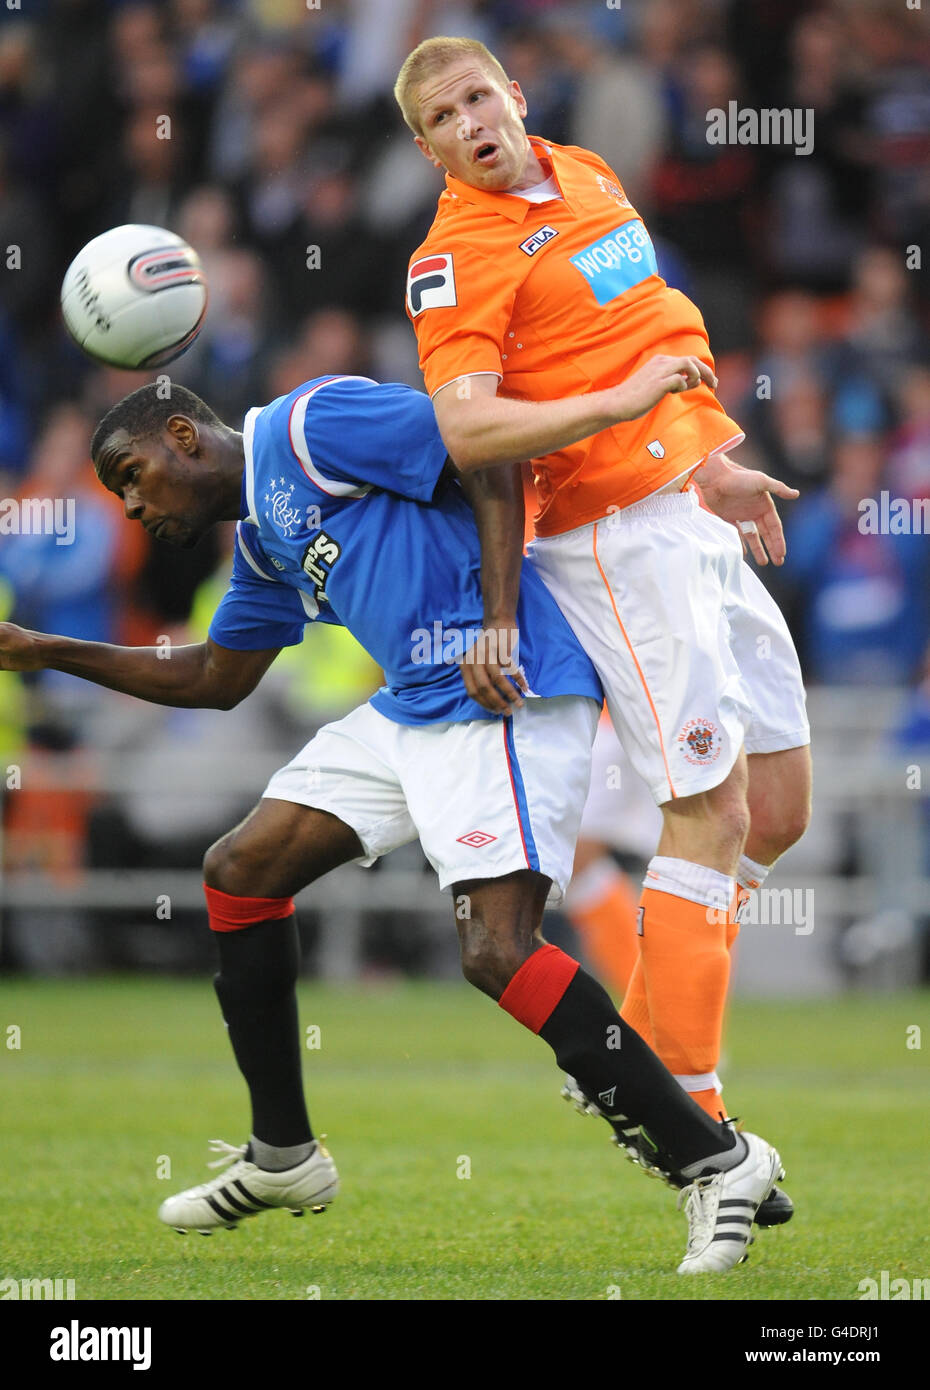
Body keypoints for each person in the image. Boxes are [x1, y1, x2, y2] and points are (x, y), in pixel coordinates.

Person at [0, 373, 785, 1274]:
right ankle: (284, 1156)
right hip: (414, 708)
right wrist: (43, 651)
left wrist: (495, 621)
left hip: (506, 685)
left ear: (184, 435)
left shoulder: (309, 425)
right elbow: (214, 678)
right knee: (241, 870)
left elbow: (485, 450)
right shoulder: (264, 538)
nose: (133, 505)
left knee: (497, 951)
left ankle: (720, 1161)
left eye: (132, 475)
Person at [395, 41, 812, 1206]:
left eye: (480, 96)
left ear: (516, 98)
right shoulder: (451, 259)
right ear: (424, 148)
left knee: (774, 813)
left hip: (689, 501)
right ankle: (693, 1124)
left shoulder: (584, 170)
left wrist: (717, 454)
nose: (472, 121)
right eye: (443, 116)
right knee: (706, 810)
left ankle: (629, 1050)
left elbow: (655, 328)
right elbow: (470, 431)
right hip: (611, 537)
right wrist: (619, 410)